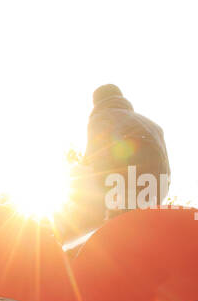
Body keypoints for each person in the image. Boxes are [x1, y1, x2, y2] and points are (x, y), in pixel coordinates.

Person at [57, 84, 170, 245]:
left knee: (75, 174)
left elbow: (98, 158)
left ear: (96, 103)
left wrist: (114, 201)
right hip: (153, 192)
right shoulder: (153, 125)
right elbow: (165, 170)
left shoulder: (102, 117)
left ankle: (58, 235)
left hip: (120, 187)